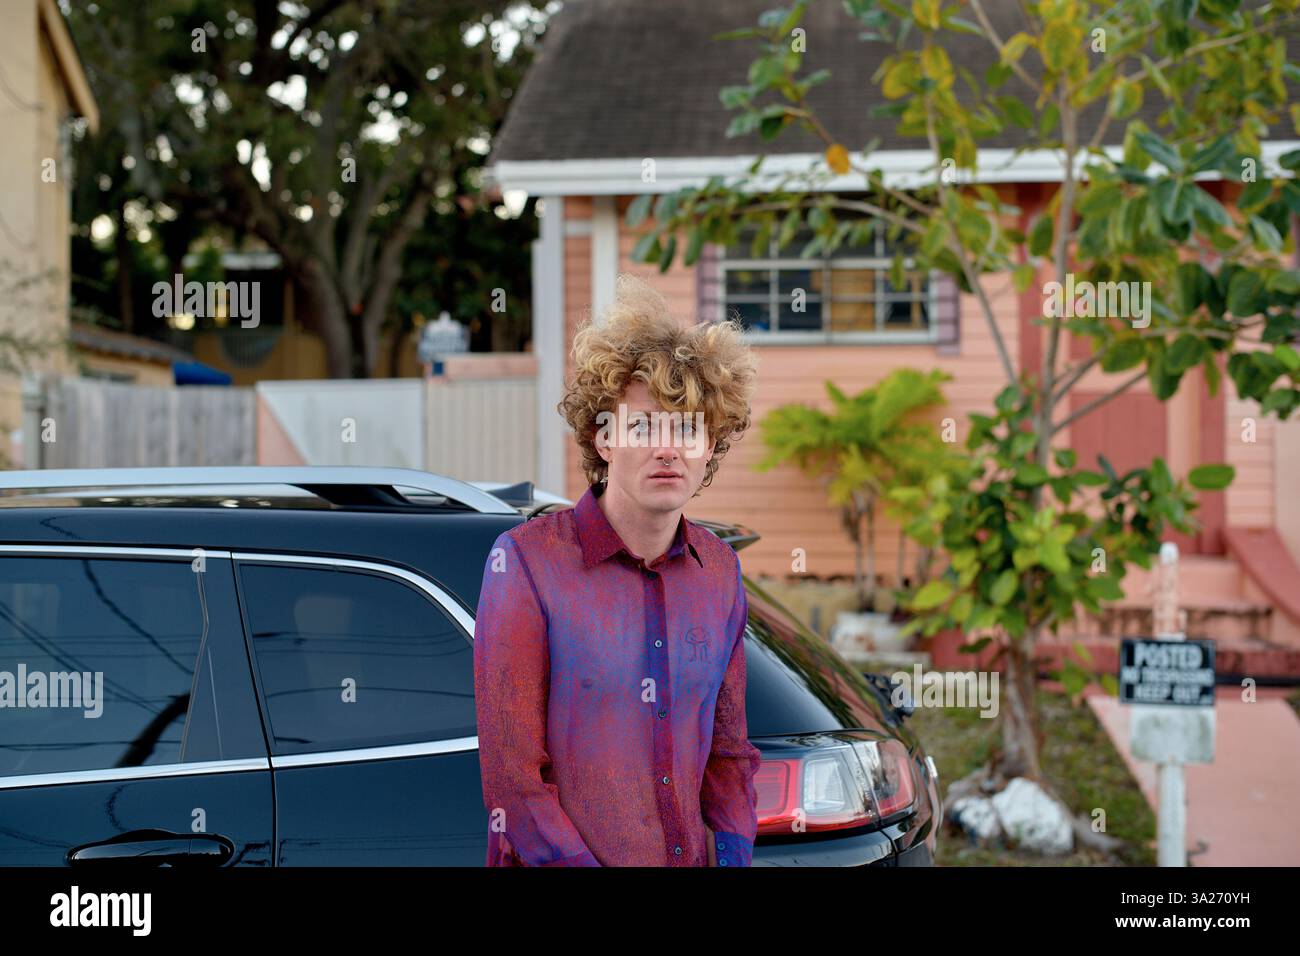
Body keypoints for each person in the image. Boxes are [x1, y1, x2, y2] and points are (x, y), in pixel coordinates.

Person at [474, 274, 762, 866]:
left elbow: (731, 759)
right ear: (602, 440)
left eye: (687, 428)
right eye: (643, 426)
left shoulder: (720, 572)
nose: (668, 448)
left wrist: (732, 857)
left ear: (710, 445)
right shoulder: (525, 563)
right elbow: (515, 783)